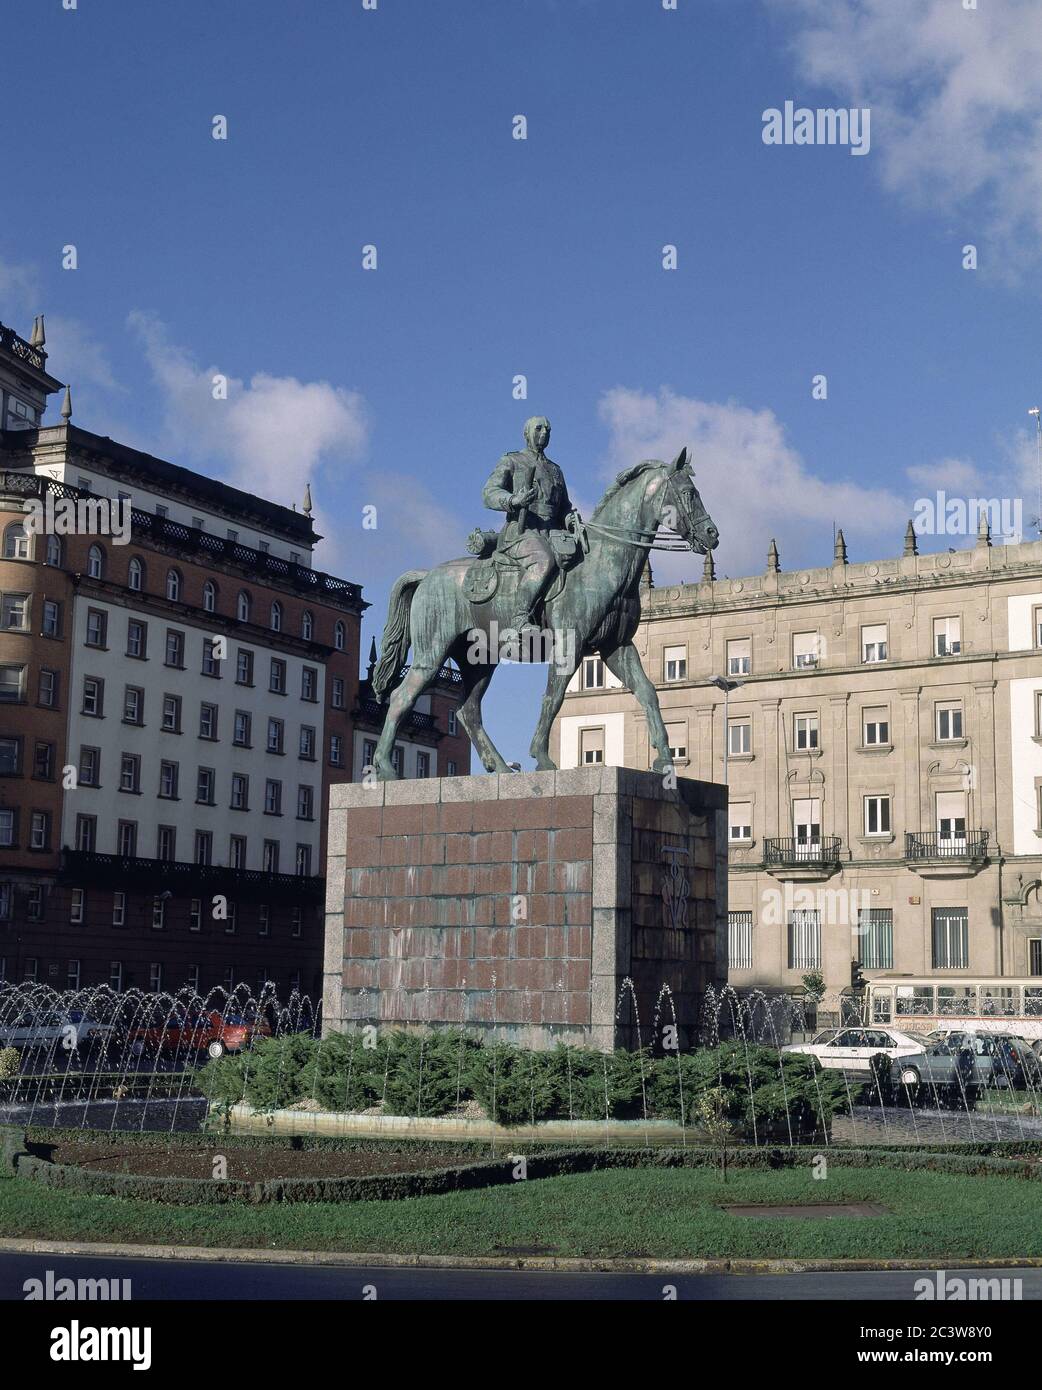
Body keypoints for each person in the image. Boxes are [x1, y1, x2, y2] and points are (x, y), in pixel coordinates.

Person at [482, 416, 581, 633]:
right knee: (543, 560)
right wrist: (513, 501)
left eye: (548, 429)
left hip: (553, 533)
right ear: (526, 433)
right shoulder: (513, 461)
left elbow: (564, 506)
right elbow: (489, 493)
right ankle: (519, 618)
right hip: (521, 532)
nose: (544, 433)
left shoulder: (556, 470)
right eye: (538, 429)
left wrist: (569, 518)